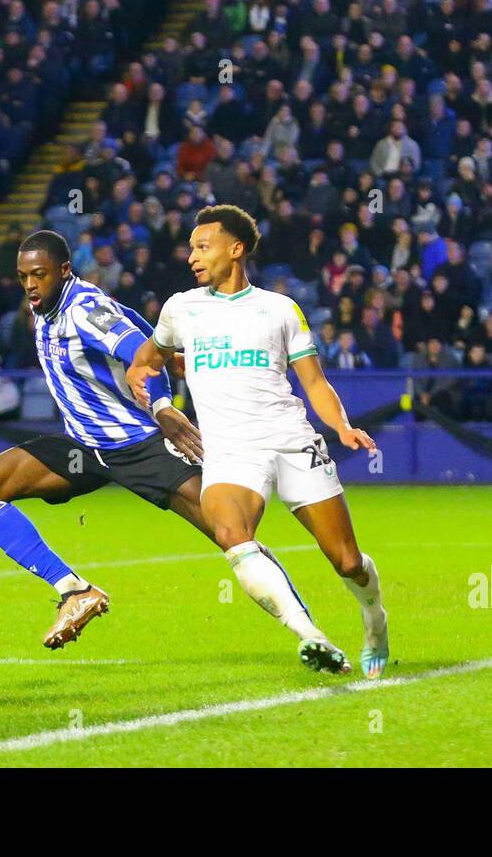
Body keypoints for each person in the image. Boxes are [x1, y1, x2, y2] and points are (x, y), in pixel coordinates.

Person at [0, 230, 319, 658]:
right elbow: (142, 330)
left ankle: (310, 634)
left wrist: (164, 406)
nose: (31, 285)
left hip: (139, 446)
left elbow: (137, 352)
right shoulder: (44, 310)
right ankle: (74, 591)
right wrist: (172, 353)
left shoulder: (85, 310)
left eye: (39, 274)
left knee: (232, 533)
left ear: (64, 271)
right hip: (84, 448)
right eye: (23, 277)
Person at [126, 205, 390, 678]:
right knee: (231, 535)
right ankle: (310, 635)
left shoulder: (279, 308)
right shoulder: (180, 308)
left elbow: (314, 384)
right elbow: (146, 361)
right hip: (229, 452)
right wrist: (152, 389)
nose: (192, 257)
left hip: (290, 441)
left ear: (236, 249)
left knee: (346, 561)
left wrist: (343, 426)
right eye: (190, 249)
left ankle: (375, 620)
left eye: (202, 247)